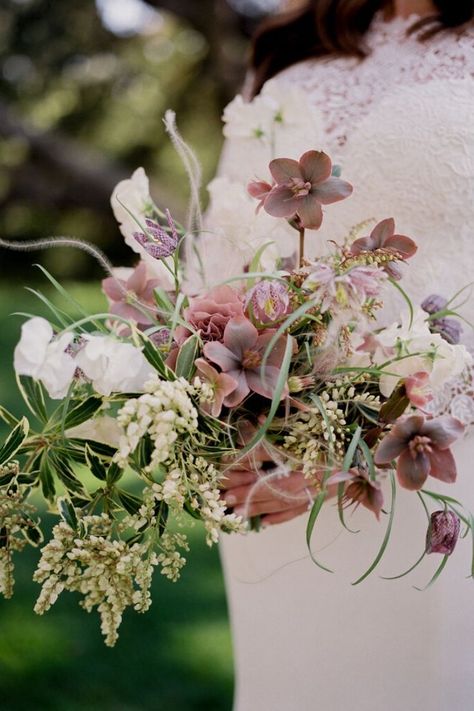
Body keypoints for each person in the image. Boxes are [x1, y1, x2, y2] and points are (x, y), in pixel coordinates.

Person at [212, 1, 474, 710]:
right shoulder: (291, 50)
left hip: (428, 463)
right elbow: (223, 251)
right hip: (261, 469)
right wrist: (230, 424)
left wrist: (344, 451)